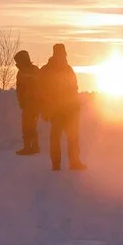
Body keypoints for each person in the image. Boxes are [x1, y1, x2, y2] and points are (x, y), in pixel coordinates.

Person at [39, 43, 85, 171]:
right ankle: (56, 164)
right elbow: (41, 91)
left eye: (63, 53)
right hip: (56, 110)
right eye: (60, 52)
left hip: (70, 109)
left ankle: (75, 162)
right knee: (56, 138)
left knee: (73, 137)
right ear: (55, 53)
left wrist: (76, 106)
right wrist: (46, 108)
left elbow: (74, 88)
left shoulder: (68, 69)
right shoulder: (46, 70)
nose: (62, 55)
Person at [13, 50, 42, 155]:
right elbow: (19, 88)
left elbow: (40, 86)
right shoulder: (21, 72)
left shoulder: (31, 70)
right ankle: (33, 147)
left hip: (33, 102)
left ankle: (29, 147)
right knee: (29, 125)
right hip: (27, 102)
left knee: (28, 125)